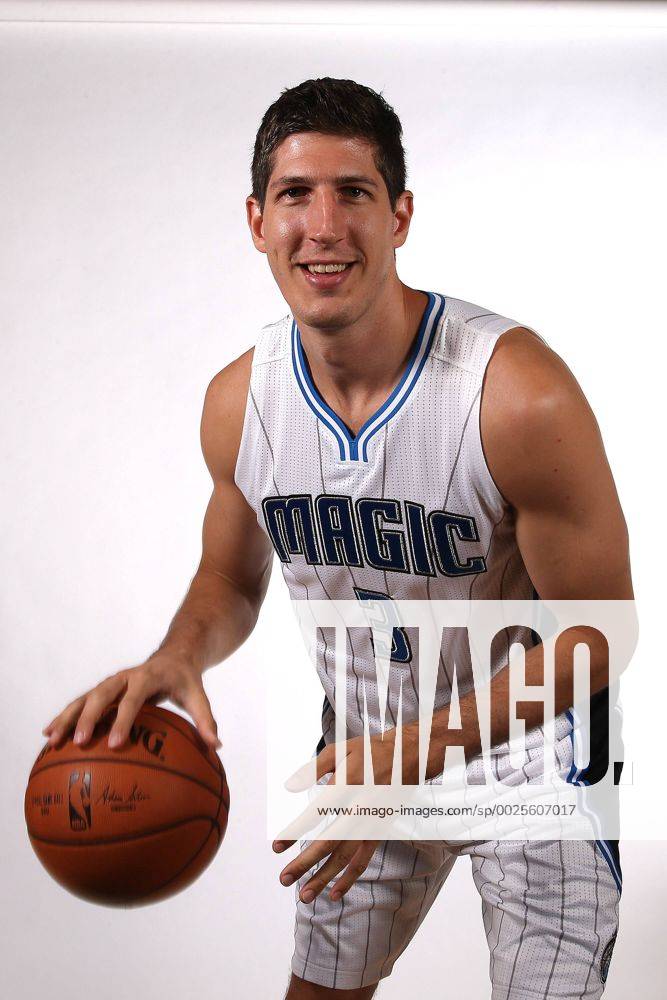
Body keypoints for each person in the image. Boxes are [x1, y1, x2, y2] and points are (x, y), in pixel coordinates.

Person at [43, 78, 633, 998]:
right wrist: (179, 654)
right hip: (365, 745)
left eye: (352, 193)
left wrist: (407, 758)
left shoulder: (517, 394)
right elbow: (230, 581)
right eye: (294, 194)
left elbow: (599, 636)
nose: (322, 226)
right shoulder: (241, 403)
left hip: (534, 760)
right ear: (255, 219)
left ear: (399, 215)